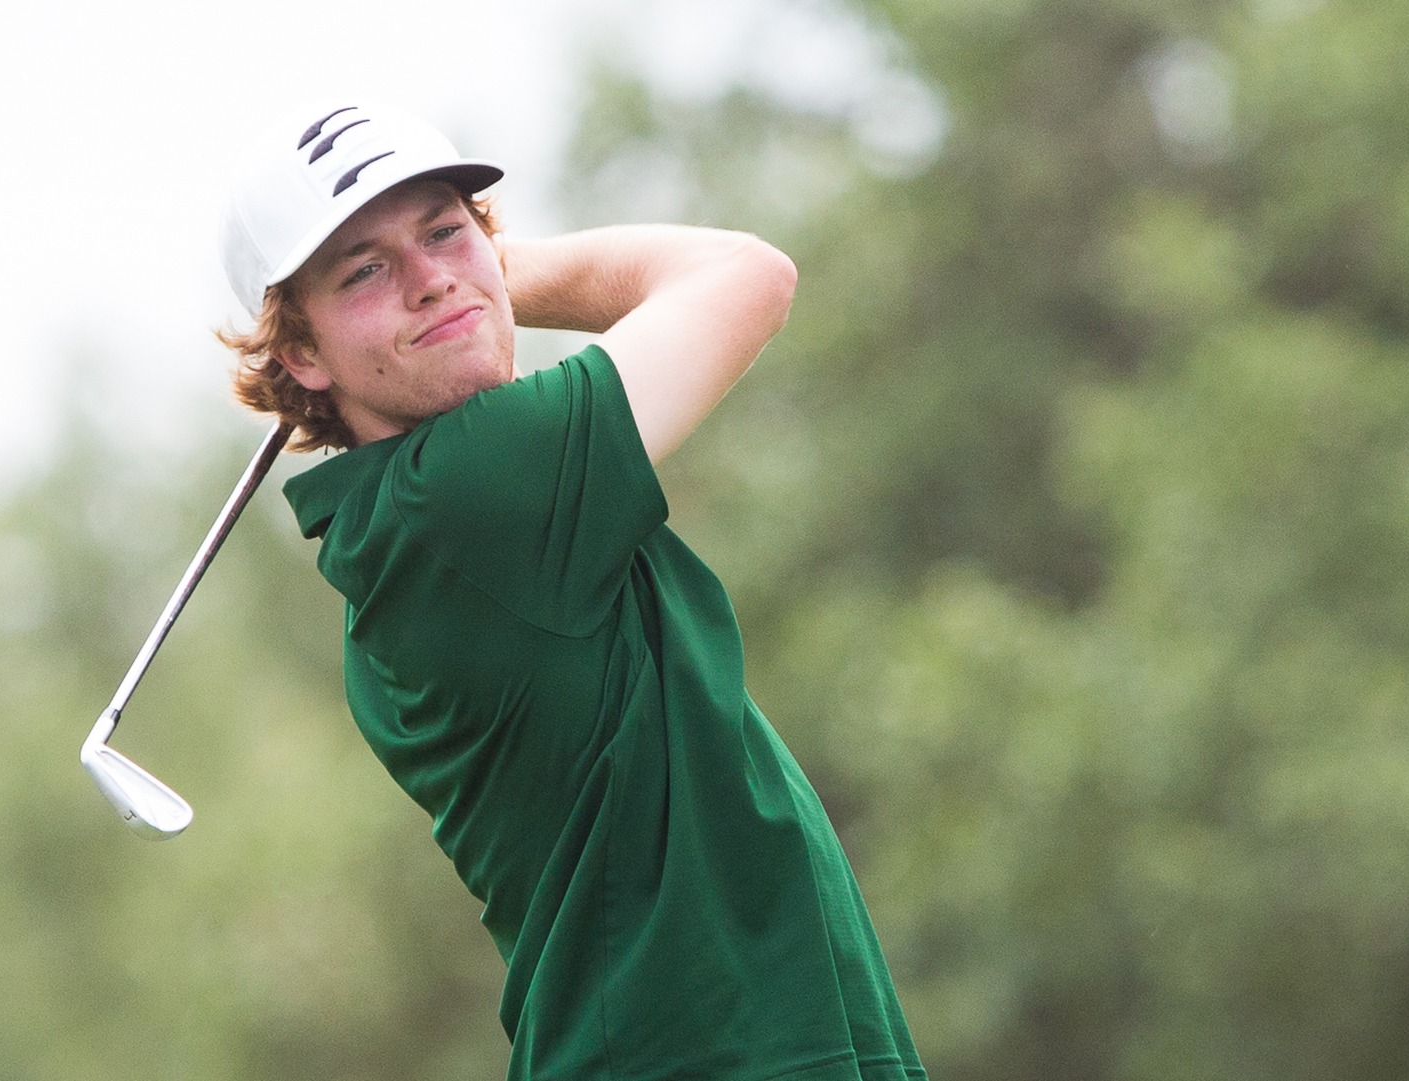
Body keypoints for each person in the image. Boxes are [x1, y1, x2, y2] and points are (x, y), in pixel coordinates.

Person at [217, 102, 927, 1081]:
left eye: (444, 228)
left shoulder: (396, 530)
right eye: (365, 270)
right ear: (299, 352)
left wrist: (449, 282)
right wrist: (485, 276)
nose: (427, 277)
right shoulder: (466, 494)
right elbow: (747, 276)